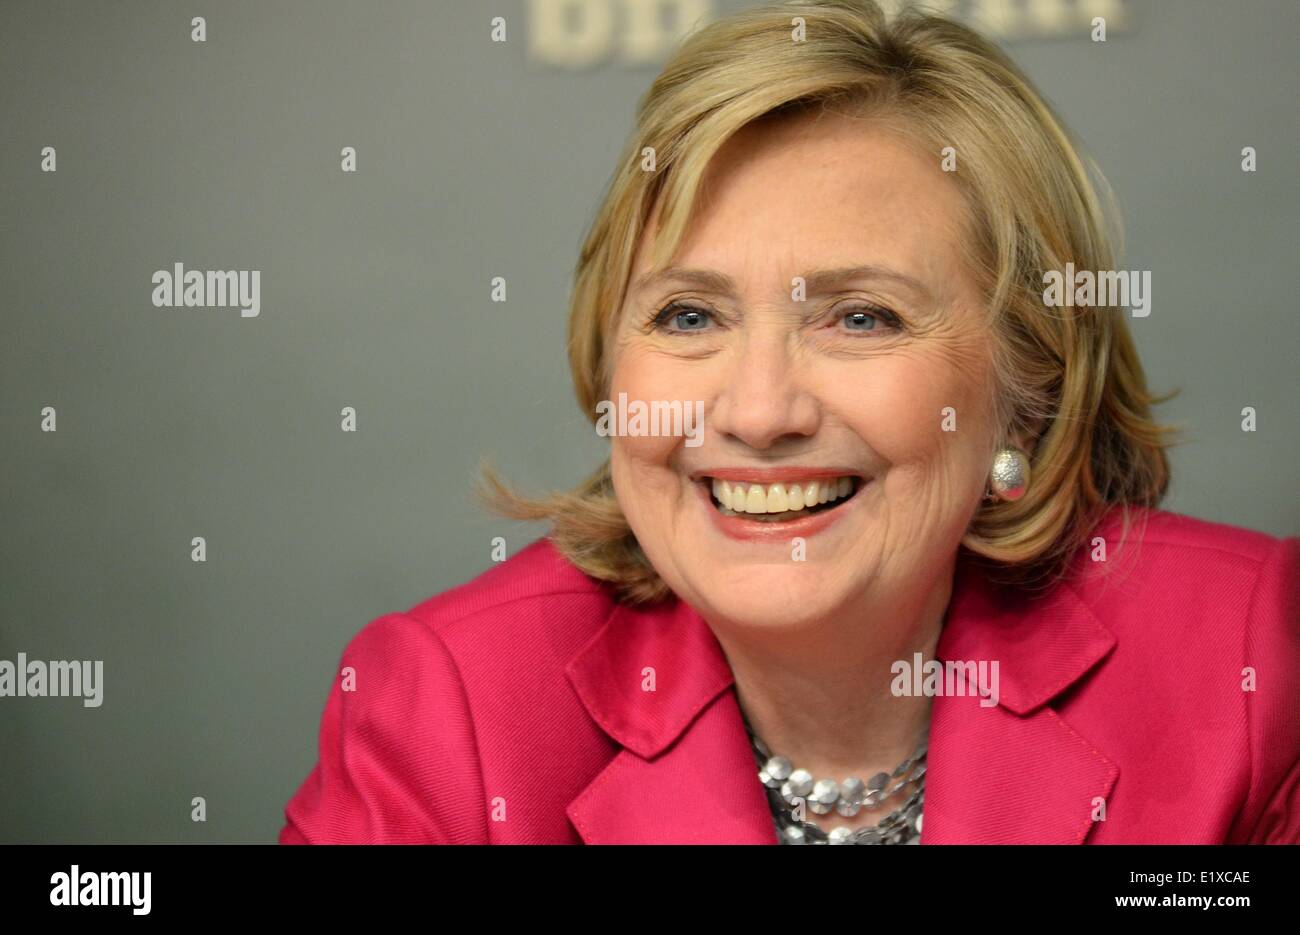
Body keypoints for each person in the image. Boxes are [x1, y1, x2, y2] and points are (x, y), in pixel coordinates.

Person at [279, 0, 1298, 844]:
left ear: (1027, 381)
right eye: (689, 315)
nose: (759, 412)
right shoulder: (448, 710)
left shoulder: (1251, 662)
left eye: (861, 317)